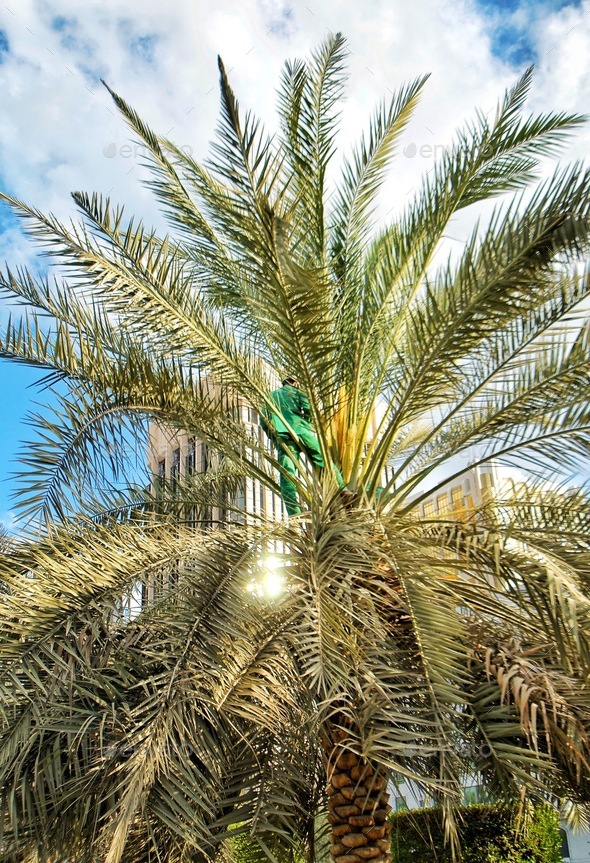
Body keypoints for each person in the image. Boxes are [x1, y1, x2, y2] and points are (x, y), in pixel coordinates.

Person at [261, 376, 348, 515]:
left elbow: (263, 420)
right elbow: (308, 410)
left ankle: (294, 514)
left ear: (284, 383)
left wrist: (274, 437)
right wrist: (305, 423)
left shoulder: (271, 396)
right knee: (323, 460)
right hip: (303, 432)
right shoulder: (299, 392)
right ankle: (343, 490)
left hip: (284, 437)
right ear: (295, 383)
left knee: (287, 475)